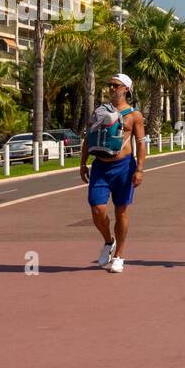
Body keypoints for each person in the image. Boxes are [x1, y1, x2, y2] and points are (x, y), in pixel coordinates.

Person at [81, 74, 146, 274]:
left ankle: (119, 255)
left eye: (115, 86)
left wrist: (139, 169)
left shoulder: (134, 115)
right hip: (100, 166)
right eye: (109, 85)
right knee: (97, 208)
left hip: (124, 168)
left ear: (125, 89)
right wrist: (83, 162)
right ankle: (109, 241)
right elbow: (88, 137)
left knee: (121, 212)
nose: (111, 88)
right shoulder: (100, 111)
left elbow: (141, 143)